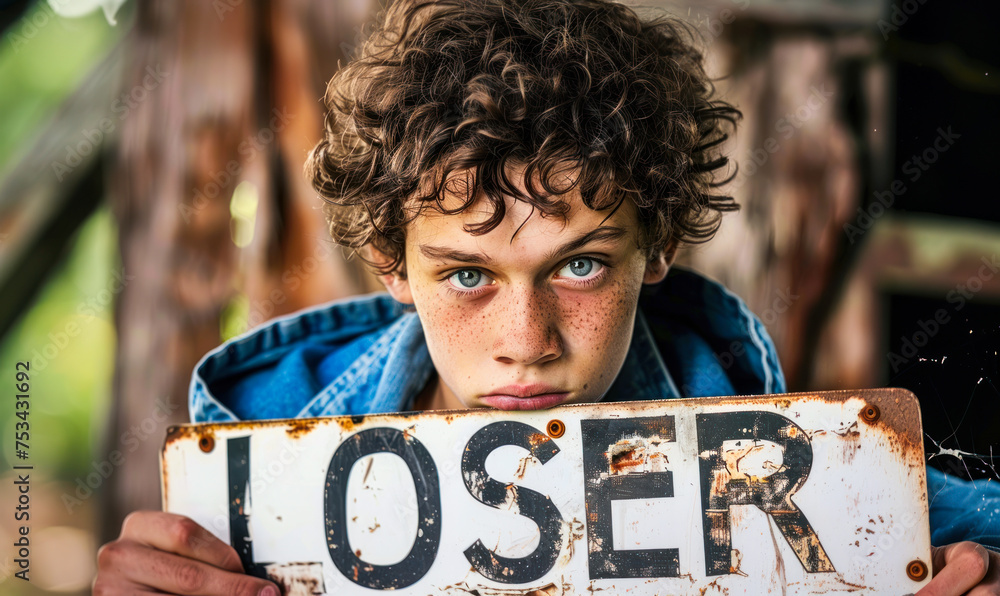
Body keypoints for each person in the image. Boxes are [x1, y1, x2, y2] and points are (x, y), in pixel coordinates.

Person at [93, 0, 999, 594]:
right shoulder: (249, 477)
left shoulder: (815, 470)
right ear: (391, 265)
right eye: (468, 275)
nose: (526, 341)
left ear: (657, 247)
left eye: (579, 265)